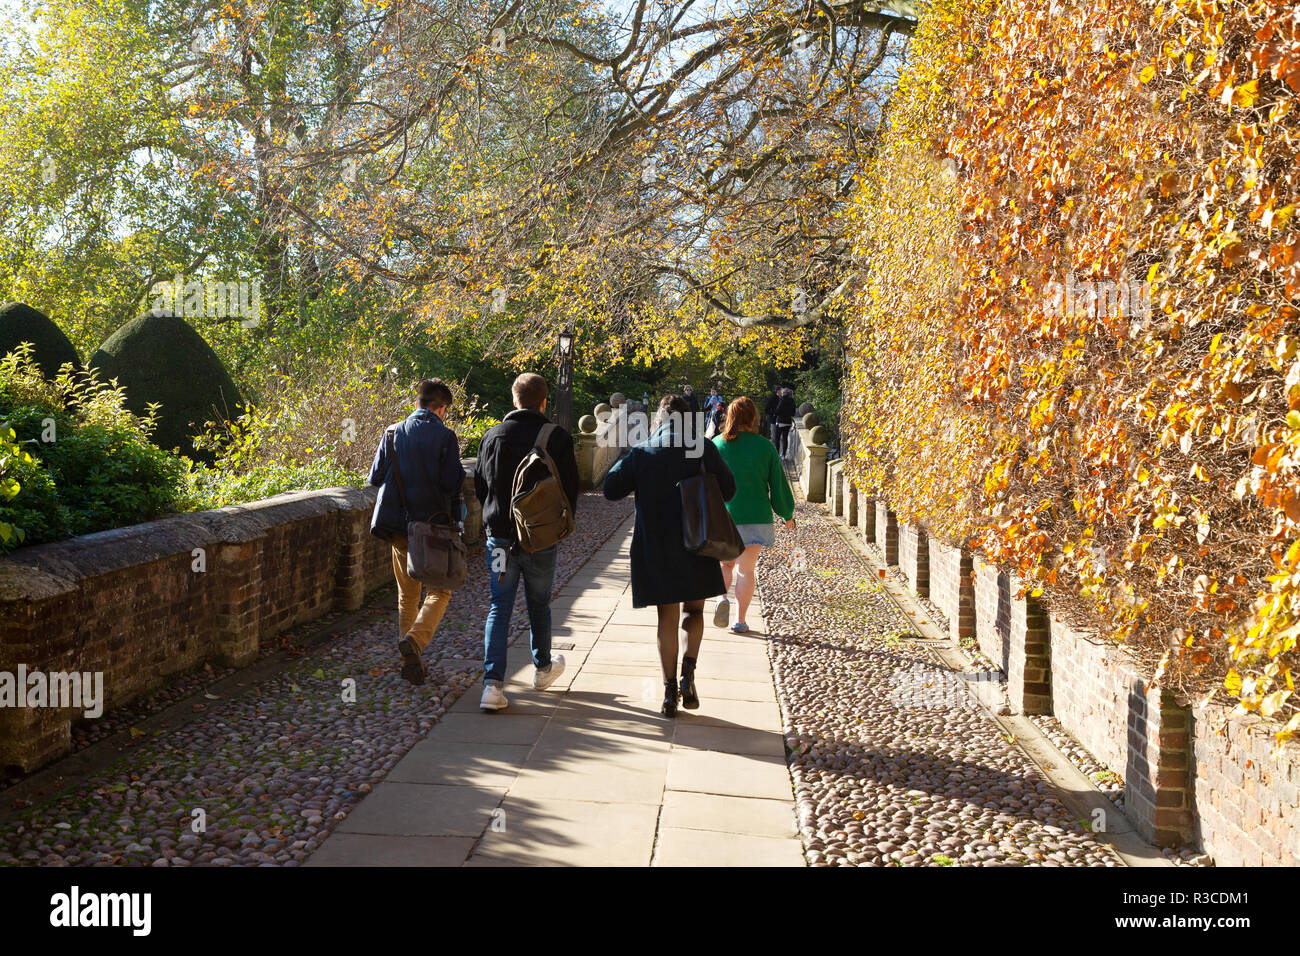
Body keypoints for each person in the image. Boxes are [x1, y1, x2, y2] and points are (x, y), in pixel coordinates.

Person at [604, 395, 737, 717]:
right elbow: (729, 490)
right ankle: (688, 674)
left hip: (659, 545)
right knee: (694, 611)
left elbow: (611, 488)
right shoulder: (703, 449)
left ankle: (667, 693)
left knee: (667, 617)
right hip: (699, 541)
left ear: (660, 418)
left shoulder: (644, 451)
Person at [473, 372, 580, 711]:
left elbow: (480, 486)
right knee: (539, 603)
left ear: (514, 399)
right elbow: (570, 488)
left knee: (498, 606)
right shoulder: (558, 437)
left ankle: (492, 685)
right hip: (539, 538)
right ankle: (543, 668)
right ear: (544, 401)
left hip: (500, 539)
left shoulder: (492, 437)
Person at [369, 379, 466, 686]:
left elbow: (375, 477)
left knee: (407, 595)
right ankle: (415, 641)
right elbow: (453, 483)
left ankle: (410, 659)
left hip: (398, 525)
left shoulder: (392, 432)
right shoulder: (445, 437)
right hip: (433, 527)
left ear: (416, 404)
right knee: (440, 591)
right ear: (442, 408)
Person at [711, 397, 796, 633]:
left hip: (724, 516)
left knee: (724, 565)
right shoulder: (765, 447)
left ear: (729, 417)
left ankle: (721, 598)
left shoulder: (717, 445)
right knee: (746, 570)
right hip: (756, 516)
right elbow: (777, 486)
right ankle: (740, 620)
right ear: (753, 418)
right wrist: (786, 514)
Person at [773, 386, 797, 458]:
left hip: (780, 422)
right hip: (788, 422)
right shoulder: (792, 401)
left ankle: (777, 454)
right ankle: (783, 455)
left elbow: (778, 411)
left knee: (777, 438)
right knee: (785, 439)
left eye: (783, 392)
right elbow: (793, 413)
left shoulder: (782, 400)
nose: (782, 393)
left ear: (785, 393)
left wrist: (775, 413)